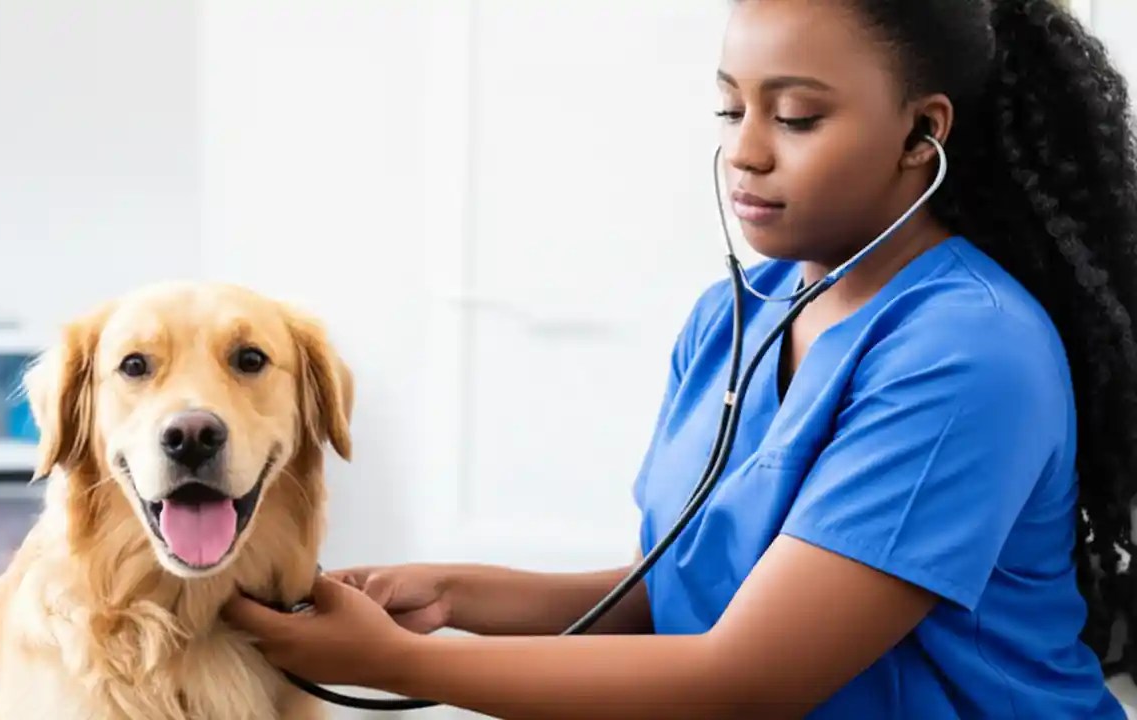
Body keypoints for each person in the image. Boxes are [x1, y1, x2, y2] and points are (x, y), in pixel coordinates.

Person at [222, 0, 1137, 717]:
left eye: (798, 117)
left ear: (918, 133)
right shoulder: (734, 318)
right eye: (731, 107)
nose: (744, 151)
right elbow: (679, 594)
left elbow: (749, 678)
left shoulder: (968, 353)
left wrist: (400, 665)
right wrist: (451, 593)